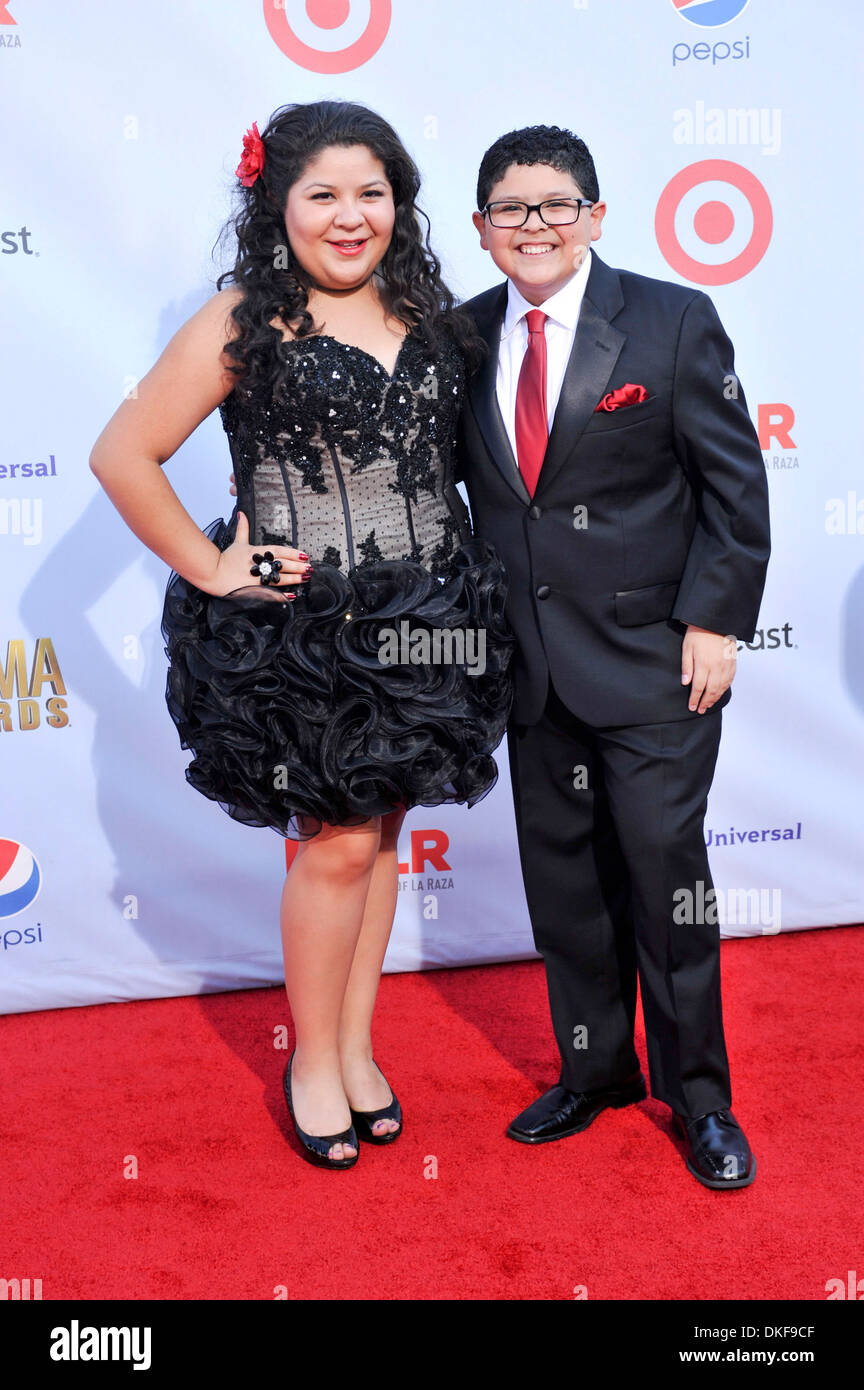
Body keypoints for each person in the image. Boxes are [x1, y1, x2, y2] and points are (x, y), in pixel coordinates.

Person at [89, 101, 514, 1170]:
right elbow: (122, 454)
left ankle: (356, 1049)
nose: (349, 214)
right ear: (277, 203)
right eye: (323, 192)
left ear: (398, 203)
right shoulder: (243, 320)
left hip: (428, 622)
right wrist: (212, 560)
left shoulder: (431, 312)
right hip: (307, 637)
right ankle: (311, 1063)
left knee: (379, 843)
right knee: (331, 850)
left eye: (370, 191)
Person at [455, 126, 771, 1189]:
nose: (533, 225)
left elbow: (735, 488)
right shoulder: (461, 339)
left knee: (664, 878)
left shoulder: (673, 320)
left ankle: (702, 1100)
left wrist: (716, 621)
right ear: (482, 230)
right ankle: (593, 1074)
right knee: (568, 891)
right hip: (530, 669)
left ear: (595, 215)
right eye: (511, 208)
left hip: (655, 664)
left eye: (555, 205)